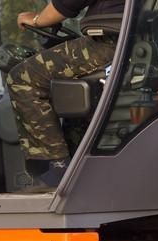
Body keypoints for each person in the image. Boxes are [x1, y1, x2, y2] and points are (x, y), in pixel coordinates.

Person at [8, 0, 124, 192]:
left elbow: (66, 5)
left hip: (108, 43)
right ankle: (76, 160)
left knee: (22, 78)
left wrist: (37, 19)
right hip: (129, 41)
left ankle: (54, 170)